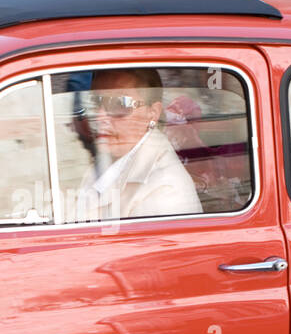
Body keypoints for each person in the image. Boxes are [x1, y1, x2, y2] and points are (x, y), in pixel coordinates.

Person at [74, 68, 202, 221]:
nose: (100, 117)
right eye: (95, 102)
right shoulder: (112, 157)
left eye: (119, 103)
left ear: (152, 113)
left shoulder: (164, 193)